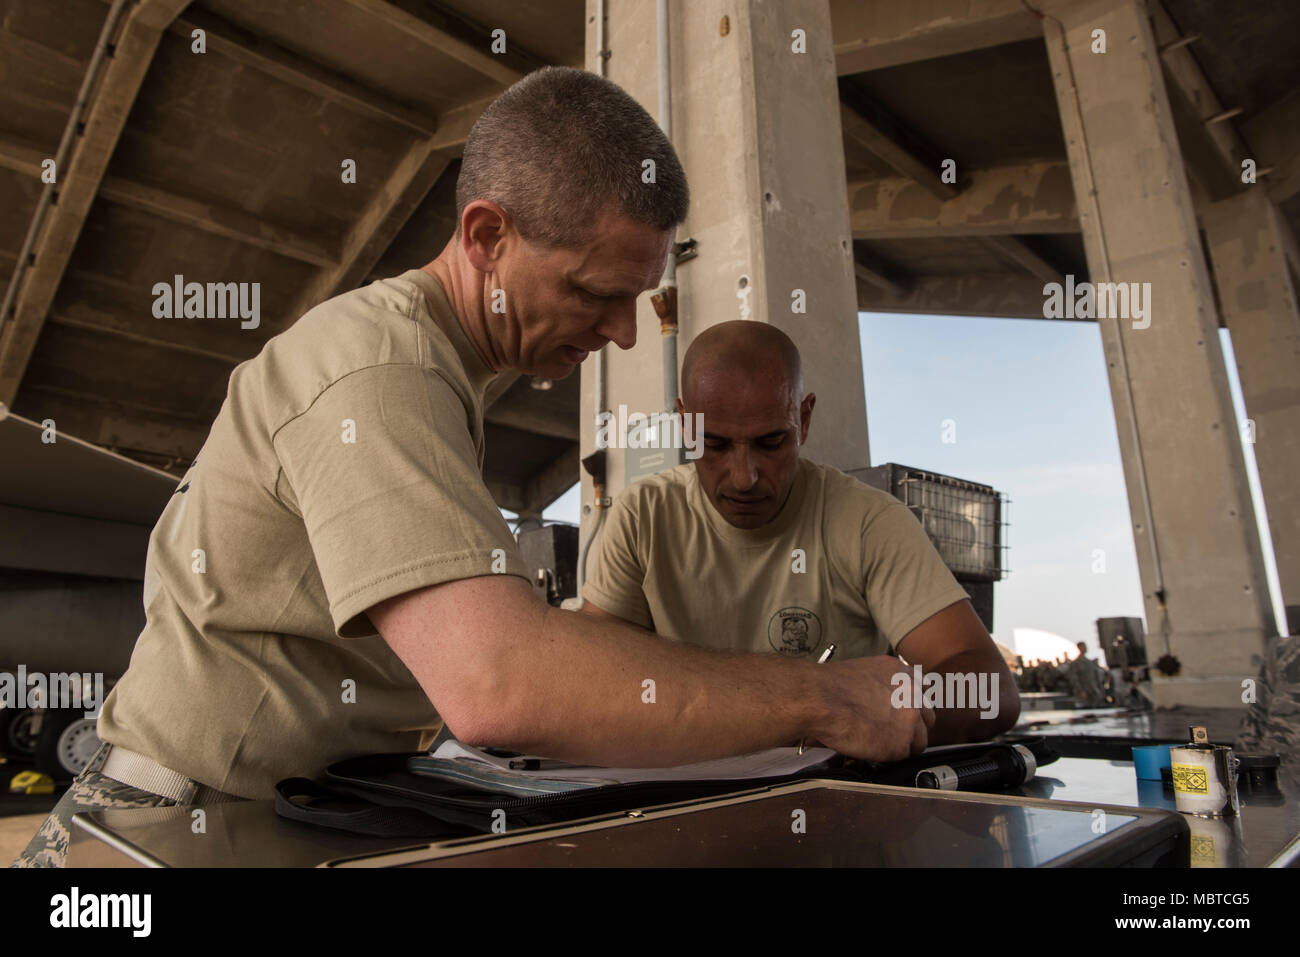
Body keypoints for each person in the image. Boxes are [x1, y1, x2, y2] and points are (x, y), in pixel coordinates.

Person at [14, 66, 932, 868]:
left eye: (636, 299)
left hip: (277, 821)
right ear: (487, 235)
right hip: (163, 841)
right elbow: (500, 680)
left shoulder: (443, 377)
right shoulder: (380, 368)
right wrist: (823, 693)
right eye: (593, 292)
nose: (619, 331)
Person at [581, 322, 1020, 746]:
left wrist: (895, 708)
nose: (743, 478)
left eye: (770, 443)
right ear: (684, 424)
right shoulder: (643, 516)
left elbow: (989, 690)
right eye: (713, 445)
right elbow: (593, 678)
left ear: (804, 419)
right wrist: (818, 699)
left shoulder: (869, 521)